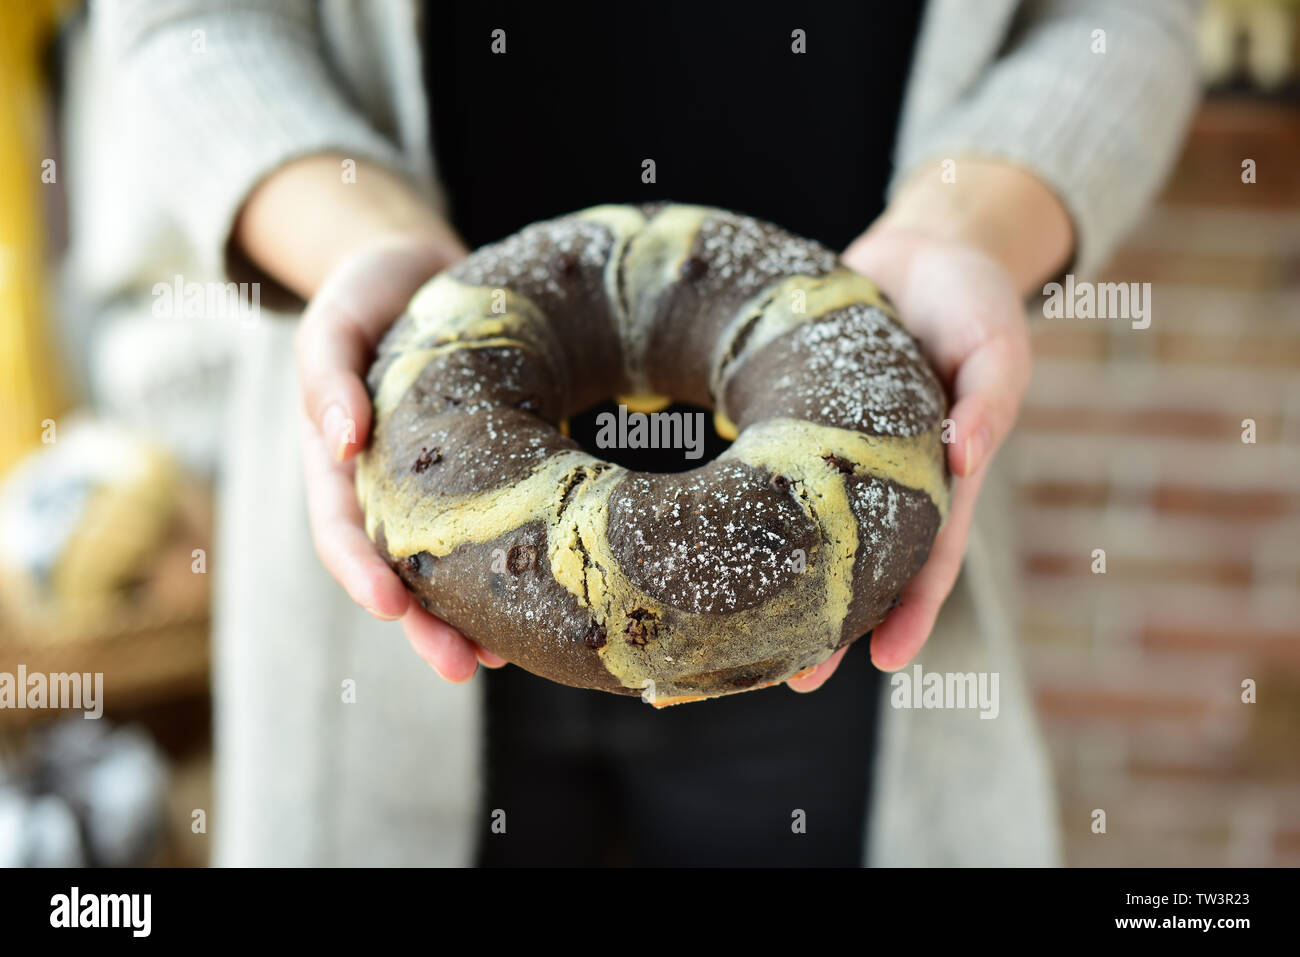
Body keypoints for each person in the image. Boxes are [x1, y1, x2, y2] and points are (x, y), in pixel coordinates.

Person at [66, 0, 1202, 865]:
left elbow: (1130, 21)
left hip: (855, 585)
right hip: (402, 563)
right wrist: (353, 229)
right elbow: (179, 22)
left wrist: (966, 225)